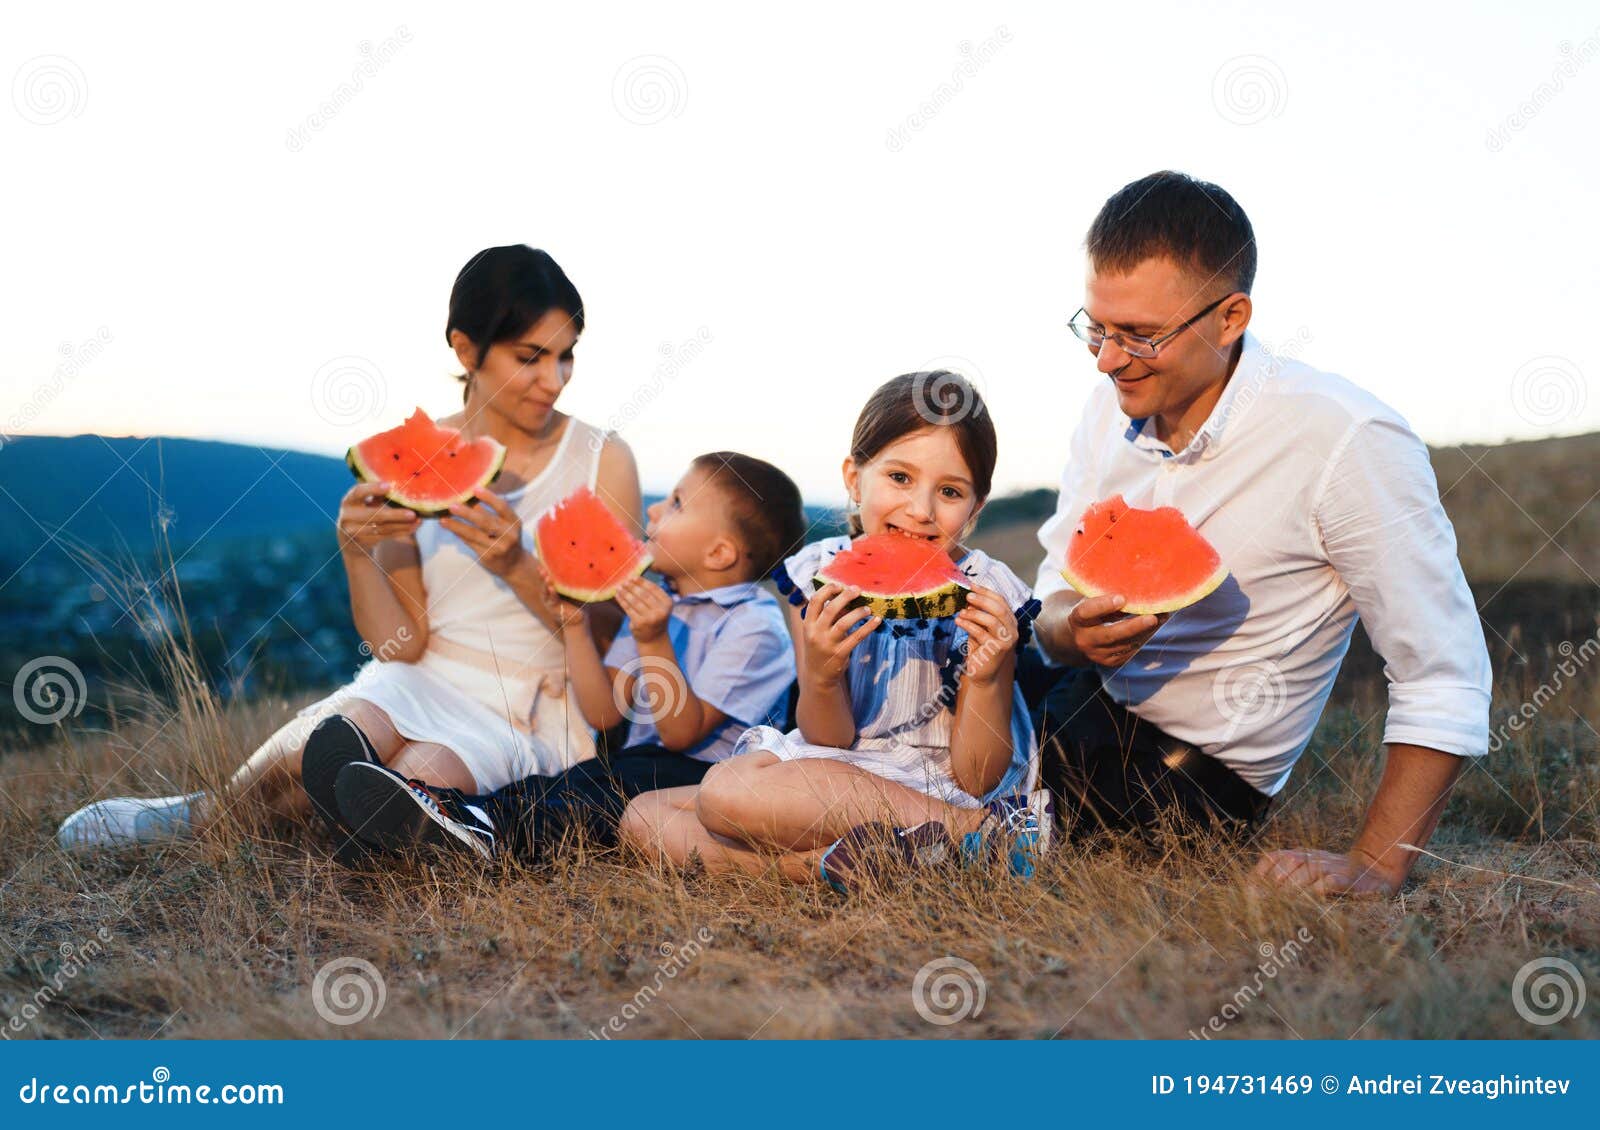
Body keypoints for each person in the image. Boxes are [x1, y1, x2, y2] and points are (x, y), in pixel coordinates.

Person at [57, 245, 642, 851]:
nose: (555, 380)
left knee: (405, 780)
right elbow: (404, 642)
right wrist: (355, 551)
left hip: (531, 705)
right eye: (531, 357)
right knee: (333, 742)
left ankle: (319, 816)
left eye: (566, 356)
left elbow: (606, 634)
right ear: (467, 349)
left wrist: (520, 569)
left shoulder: (604, 460)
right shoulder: (415, 460)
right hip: (422, 674)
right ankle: (203, 817)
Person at [1031, 171, 1492, 896]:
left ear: (1231, 316)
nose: (1107, 359)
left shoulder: (1345, 438)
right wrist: (1067, 627)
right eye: (1096, 328)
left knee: (912, 769)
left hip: (1183, 782)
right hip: (1073, 695)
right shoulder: (1106, 406)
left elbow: (1446, 671)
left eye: (1141, 337)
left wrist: (1375, 864)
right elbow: (1053, 588)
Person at [619, 372, 1052, 893]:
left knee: (728, 791)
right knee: (644, 816)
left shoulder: (986, 595)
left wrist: (985, 679)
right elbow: (830, 738)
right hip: (838, 766)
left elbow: (977, 775)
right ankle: (842, 866)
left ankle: (983, 835)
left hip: (937, 784)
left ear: (976, 509)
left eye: (950, 492)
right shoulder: (819, 574)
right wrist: (823, 675)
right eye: (899, 478)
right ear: (854, 479)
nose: (920, 510)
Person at [327, 452, 805, 863]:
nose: (656, 508)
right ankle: (438, 821)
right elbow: (603, 712)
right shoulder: (659, 603)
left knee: (582, 806)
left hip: (702, 776)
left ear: (720, 553)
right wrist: (574, 627)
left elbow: (682, 734)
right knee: (557, 784)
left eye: (678, 503)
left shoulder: (754, 624)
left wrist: (654, 639)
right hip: (636, 759)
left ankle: (481, 833)